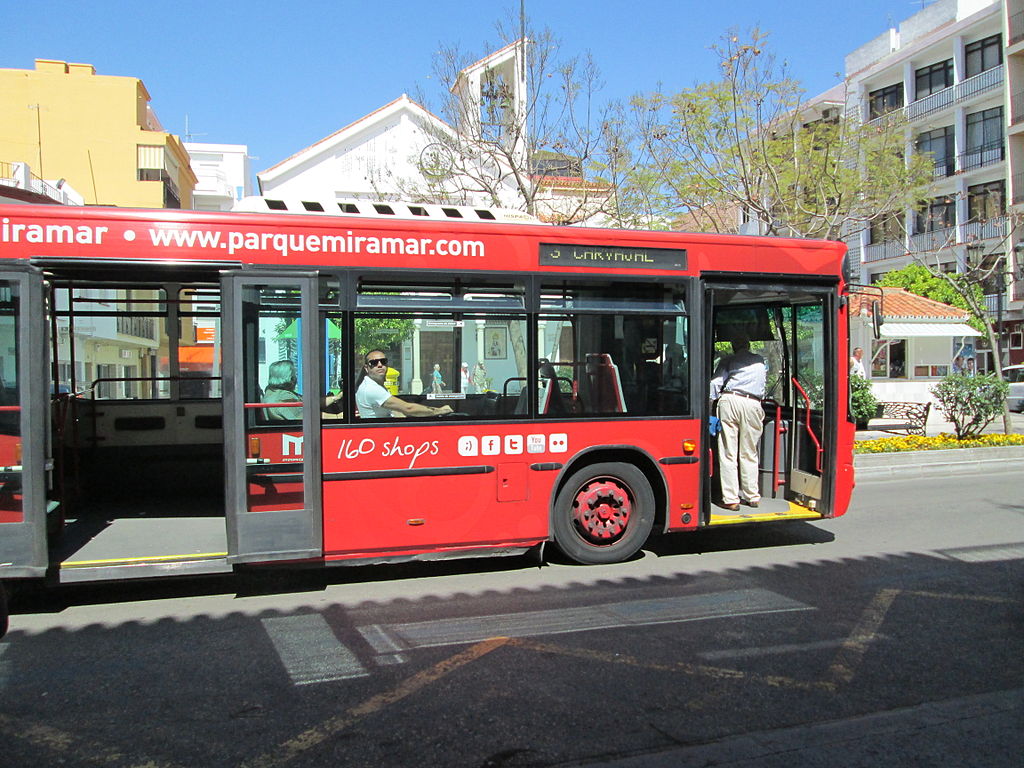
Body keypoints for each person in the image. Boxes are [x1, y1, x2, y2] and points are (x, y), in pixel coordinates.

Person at [709, 335, 767, 511]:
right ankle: (752, 496)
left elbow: (715, 384)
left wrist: (709, 405)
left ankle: (731, 498)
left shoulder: (728, 360)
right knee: (749, 452)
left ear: (734, 346)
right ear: (748, 345)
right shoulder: (759, 360)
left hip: (731, 400)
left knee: (728, 451)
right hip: (754, 403)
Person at [356, 350, 453, 418]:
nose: (380, 364)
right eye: (374, 362)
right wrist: (440, 411)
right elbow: (408, 408)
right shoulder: (372, 389)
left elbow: (393, 410)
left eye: (383, 361)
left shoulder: (373, 385)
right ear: (366, 368)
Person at [263, 359, 342, 420]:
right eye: (294, 375)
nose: (295, 378)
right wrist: (337, 416)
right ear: (289, 378)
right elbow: (306, 417)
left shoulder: (274, 391)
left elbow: (310, 403)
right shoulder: (282, 397)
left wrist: (336, 397)